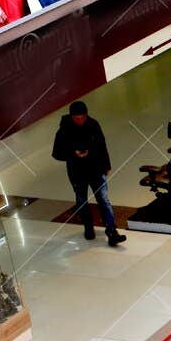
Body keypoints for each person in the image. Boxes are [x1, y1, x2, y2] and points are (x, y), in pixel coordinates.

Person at [51, 101, 126, 246]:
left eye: (83, 117)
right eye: (77, 118)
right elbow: (57, 153)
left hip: (96, 169)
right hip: (77, 172)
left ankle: (112, 231)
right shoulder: (64, 130)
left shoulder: (93, 125)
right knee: (82, 200)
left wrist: (106, 165)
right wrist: (73, 154)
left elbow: (102, 145)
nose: (80, 120)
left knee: (104, 199)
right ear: (72, 117)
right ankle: (88, 226)